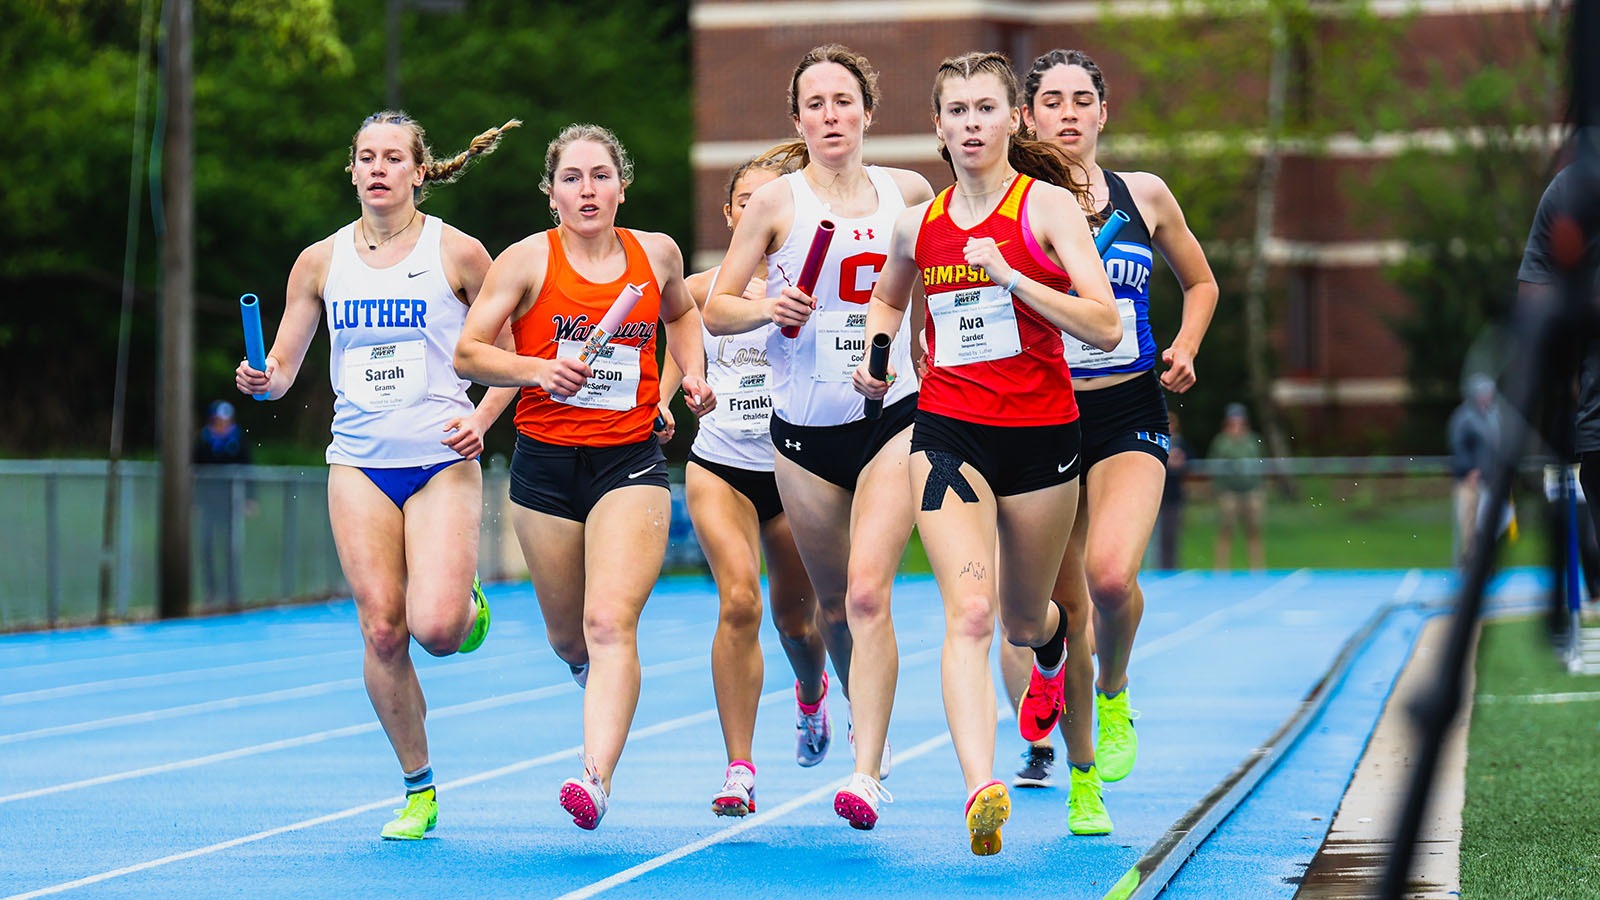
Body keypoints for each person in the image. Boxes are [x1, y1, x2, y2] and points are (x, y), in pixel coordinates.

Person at [856, 50, 1119, 855]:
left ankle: (1051, 655)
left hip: (1042, 438)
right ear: (938, 126)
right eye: (957, 111)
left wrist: (1012, 279)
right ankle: (981, 786)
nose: (971, 124)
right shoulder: (919, 224)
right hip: (949, 431)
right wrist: (877, 356)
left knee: (1023, 617)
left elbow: (1104, 324)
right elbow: (888, 297)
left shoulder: (1047, 208)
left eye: (985, 109)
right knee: (969, 613)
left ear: (1012, 119)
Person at [235, 111, 518, 840]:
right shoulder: (319, 261)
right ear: (353, 171)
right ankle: (418, 788)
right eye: (367, 157)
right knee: (384, 630)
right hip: (359, 463)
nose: (379, 169)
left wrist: (483, 420)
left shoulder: (459, 252)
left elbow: (512, 355)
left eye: (394, 157)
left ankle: (464, 605)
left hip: (441, 459)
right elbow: (283, 366)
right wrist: (262, 379)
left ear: (420, 172)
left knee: (437, 630)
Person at [453, 123, 714, 831]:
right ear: (552, 195)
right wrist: (540, 369)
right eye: (572, 178)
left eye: (601, 176)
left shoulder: (656, 253)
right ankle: (599, 683)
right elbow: (468, 353)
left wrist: (690, 376)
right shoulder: (525, 261)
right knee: (571, 639)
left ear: (621, 187)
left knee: (608, 622)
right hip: (545, 464)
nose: (588, 190)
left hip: (630, 460)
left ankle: (594, 777)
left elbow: (683, 315)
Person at [702, 44, 935, 832]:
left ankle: (868, 766)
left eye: (843, 101)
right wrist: (770, 309)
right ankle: (847, 700)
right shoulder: (776, 203)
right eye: (815, 104)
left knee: (868, 594)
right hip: (803, 432)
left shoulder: (909, 193)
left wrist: (921, 354)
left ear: (868, 111)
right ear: (798, 120)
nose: (831, 115)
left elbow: (937, 284)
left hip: (892, 414)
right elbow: (717, 309)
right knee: (831, 605)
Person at [996, 47, 1220, 834]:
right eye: (1051, 101)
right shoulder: (1013, 203)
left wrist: (1186, 345)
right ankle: (1083, 779)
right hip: (1042, 414)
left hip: (1128, 411)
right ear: (1027, 117)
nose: (1067, 113)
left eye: (1081, 99)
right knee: (1062, 610)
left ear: (1102, 111)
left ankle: (1116, 692)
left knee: (1113, 579)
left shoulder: (1143, 194)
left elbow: (1201, 281)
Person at [656, 152, 829, 817]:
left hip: (793, 470)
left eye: (770, 198)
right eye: (746, 200)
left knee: (797, 622)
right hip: (721, 464)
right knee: (738, 602)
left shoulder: (810, 284)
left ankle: (811, 694)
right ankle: (739, 769)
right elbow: (680, 351)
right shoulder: (702, 290)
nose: (758, 209)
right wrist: (674, 397)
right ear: (732, 214)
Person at [193, 399, 253, 608]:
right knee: (207, 546)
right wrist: (194, 502)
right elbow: (194, 472)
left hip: (230, 505)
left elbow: (248, 469)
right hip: (209, 505)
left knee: (231, 548)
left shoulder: (238, 440)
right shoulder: (203, 441)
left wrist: (249, 498)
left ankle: (232, 593)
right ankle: (211, 592)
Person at [1448, 374, 1499, 564]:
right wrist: (1468, 469)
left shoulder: (1492, 415)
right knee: (1468, 522)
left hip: (1490, 479)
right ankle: (1468, 562)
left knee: (1490, 522)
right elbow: (1458, 445)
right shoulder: (1464, 417)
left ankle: (1488, 560)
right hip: (1469, 480)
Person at [1211, 402, 1267, 571]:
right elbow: (1214, 465)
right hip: (1229, 492)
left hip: (1251, 491)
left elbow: (1260, 463)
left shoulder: (1252, 441)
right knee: (1226, 531)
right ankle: (1221, 569)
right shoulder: (1222, 442)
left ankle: (1257, 568)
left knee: (1254, 531)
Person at [1158, 409, 1192, 570]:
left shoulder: (1180, 443)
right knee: (1156, 535)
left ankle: (1171, 567)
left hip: (1173, 495)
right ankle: (1158, 567)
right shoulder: (1156, 439)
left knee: (1171, 533)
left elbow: (1189, 461)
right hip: (1157, 494)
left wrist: (1180, 461)